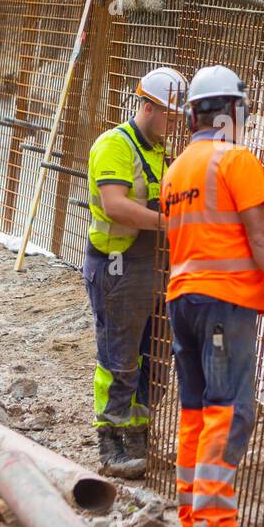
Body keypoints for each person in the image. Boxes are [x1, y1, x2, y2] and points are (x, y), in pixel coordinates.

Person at [160, 64, 264, 527]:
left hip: (182, 303)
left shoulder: (176, 170)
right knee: (229, 410)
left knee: (196, 411)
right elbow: (261, 237)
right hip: (225, 305)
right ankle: (214, 525)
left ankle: (191, 517)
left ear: (191, 118)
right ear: (232, 111)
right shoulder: (235, 161)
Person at [85, 65, 188, 478]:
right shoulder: (116, 145)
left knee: (154, 358)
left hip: (154, 267)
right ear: (148, 106)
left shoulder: (160, 152)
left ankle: (137, 435)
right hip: (118, 264)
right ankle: (110, 443)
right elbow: (115, 205)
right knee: (120, 357)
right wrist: (171, 223)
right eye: (170, 114)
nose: (174, 123)